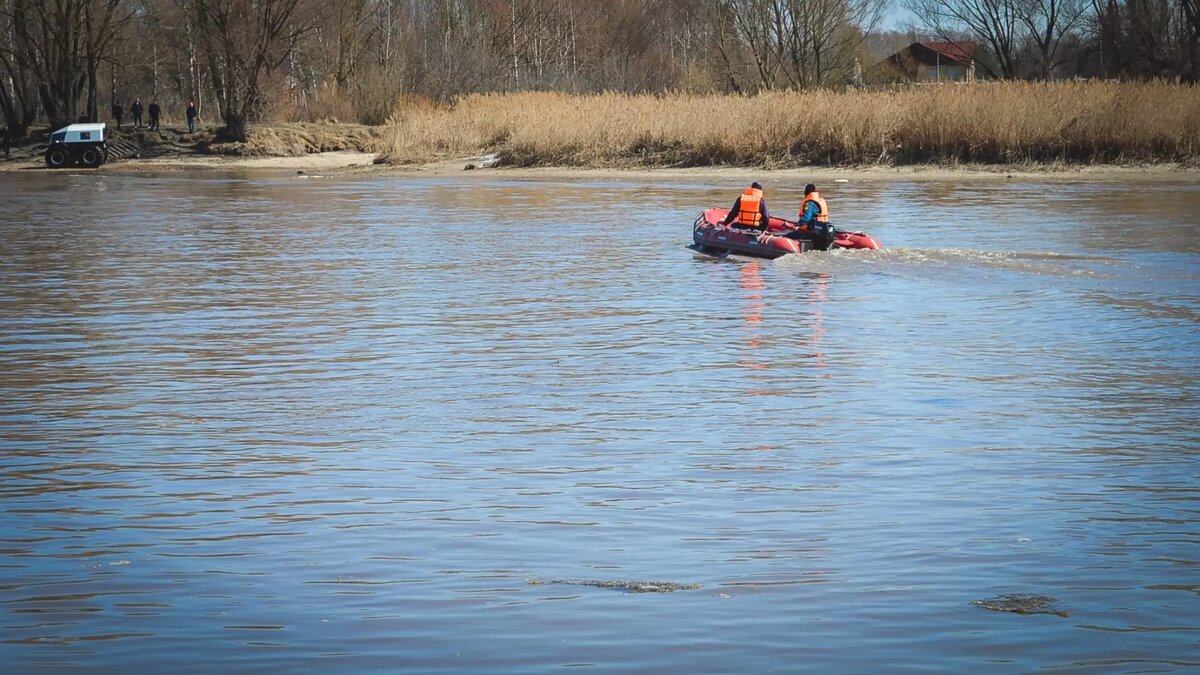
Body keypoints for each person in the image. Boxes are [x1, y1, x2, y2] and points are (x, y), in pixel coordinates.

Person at [787, 183, 834, 250]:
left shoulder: (810, 203)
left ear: (806, 192)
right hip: (822, 231)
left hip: (809, 232)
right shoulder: (821, 200)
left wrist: (798, 225)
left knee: (787, 236)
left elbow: (807, 218)